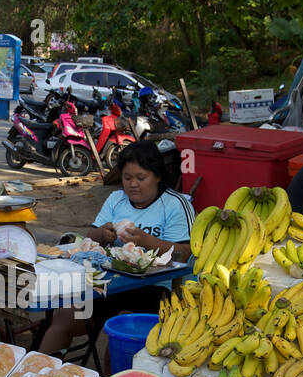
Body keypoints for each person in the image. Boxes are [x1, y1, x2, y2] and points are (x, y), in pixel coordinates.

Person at [39, 139, 195, 355]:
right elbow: (90, 239)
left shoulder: (175, 204)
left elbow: (185, 253)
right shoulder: (116, 200)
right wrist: (103, 233)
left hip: (156, 289)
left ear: (157, 176)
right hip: (110, 284)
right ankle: (40, 376)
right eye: (127, 178)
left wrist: (146, 241)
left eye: (141, 178)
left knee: (122, 326)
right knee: (64, 317)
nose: (132, 184)